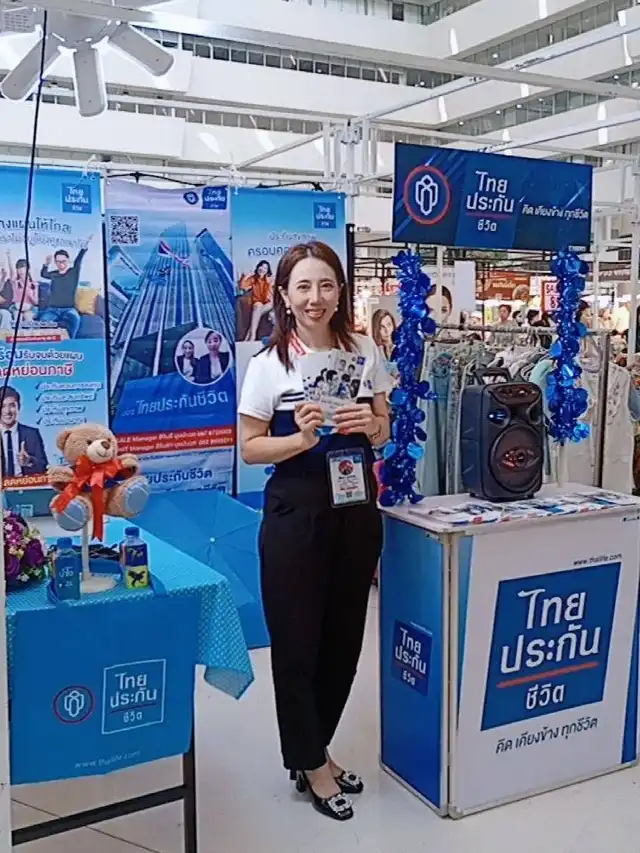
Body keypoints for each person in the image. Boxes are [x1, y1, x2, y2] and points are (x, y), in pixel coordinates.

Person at [238, 241, 391, 822]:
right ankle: (310, 761)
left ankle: (314, 750)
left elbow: (384, 428)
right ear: (283, 295)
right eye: (302, 286)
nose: (315, 298)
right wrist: (300, 439)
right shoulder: (268, 364)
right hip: (296, 511)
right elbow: (250, 448)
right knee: (297, 642)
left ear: (340, 291)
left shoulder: (364, 350)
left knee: (344, 640)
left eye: (326, 285)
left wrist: (370, 423)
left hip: (355, 508)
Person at [39, 237, 92, 338]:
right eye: (58, 261)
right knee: (43, 322)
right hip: (52, 309)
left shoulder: (73, 272)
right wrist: (46, 264)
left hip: (69, 309)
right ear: (55, 262)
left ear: (68, 260)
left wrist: (85, 245)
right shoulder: (54, 274)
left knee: (76, 319)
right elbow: (43, 274)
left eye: (63, 261)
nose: (61, 264)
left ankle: (70, 342)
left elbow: (78, 260)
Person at [0, 386, 48, 476]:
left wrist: (29, 461)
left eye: (12, 405)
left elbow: (43, 466)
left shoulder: (32, 434)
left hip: (24, 483)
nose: (7, 411)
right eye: (3, 406)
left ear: (19, 407)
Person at [240, 260, 274, 341]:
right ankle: (251, 337)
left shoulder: (269, 279)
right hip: (257, 303)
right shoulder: (253, 279)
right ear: (258, 267)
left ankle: (250, 337)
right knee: (258, 306)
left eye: (265, 268)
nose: (263, 269)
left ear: (267, 270)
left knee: (261, 309)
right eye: (261, 267)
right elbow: (242, 287)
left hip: (268, 303)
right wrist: (248, 275)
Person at [7, 252, 38, 321]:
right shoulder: (15, 282)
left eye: (23, 268)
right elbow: (11, 271)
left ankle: (30, 327)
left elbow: (36, 302)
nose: (21, 270)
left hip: (30, 308)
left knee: (28, 316)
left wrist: (29, 295)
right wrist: (9, 257)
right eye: (18, 268)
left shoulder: (33, 284)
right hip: (17, 307)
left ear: (28, 269)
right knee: (17, 314)